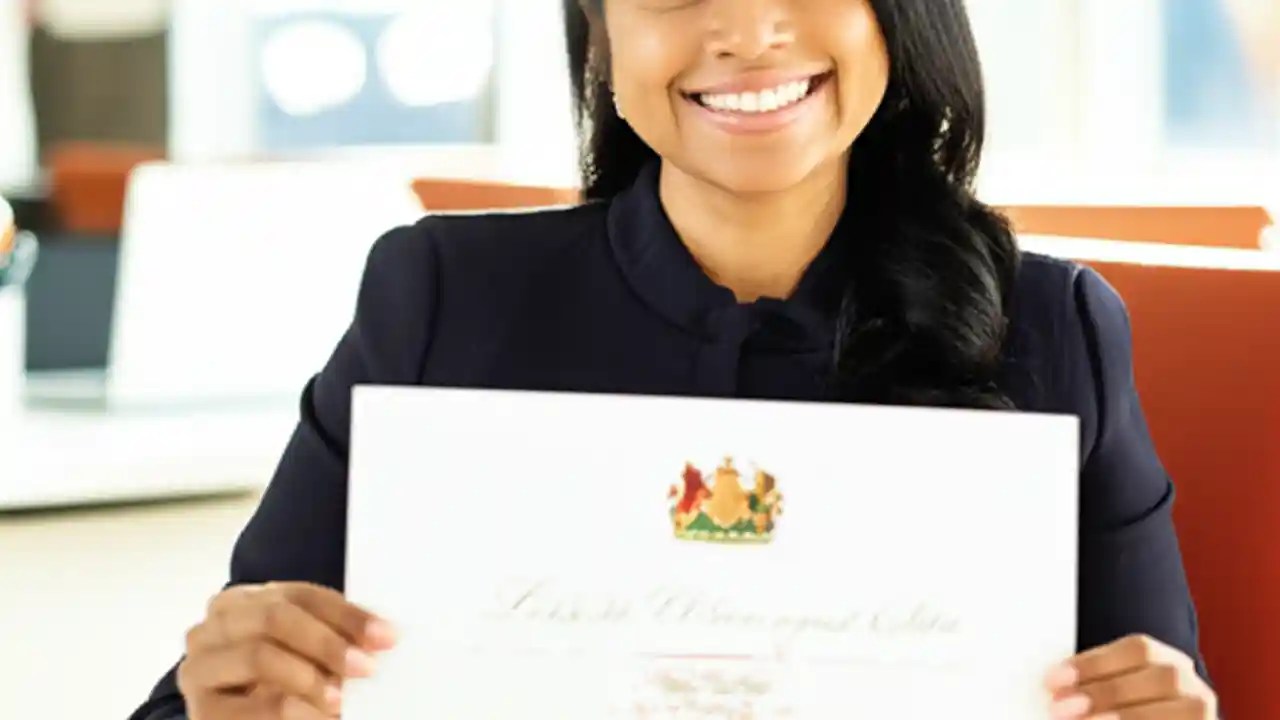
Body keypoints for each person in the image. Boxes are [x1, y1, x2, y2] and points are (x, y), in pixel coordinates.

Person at [129, 1, 1218, 719]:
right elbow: (206, 698)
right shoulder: (440, 300)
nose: (747, 31)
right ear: (598, 36)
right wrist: (234, 689)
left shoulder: (1055, 329)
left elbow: (1151, 689)